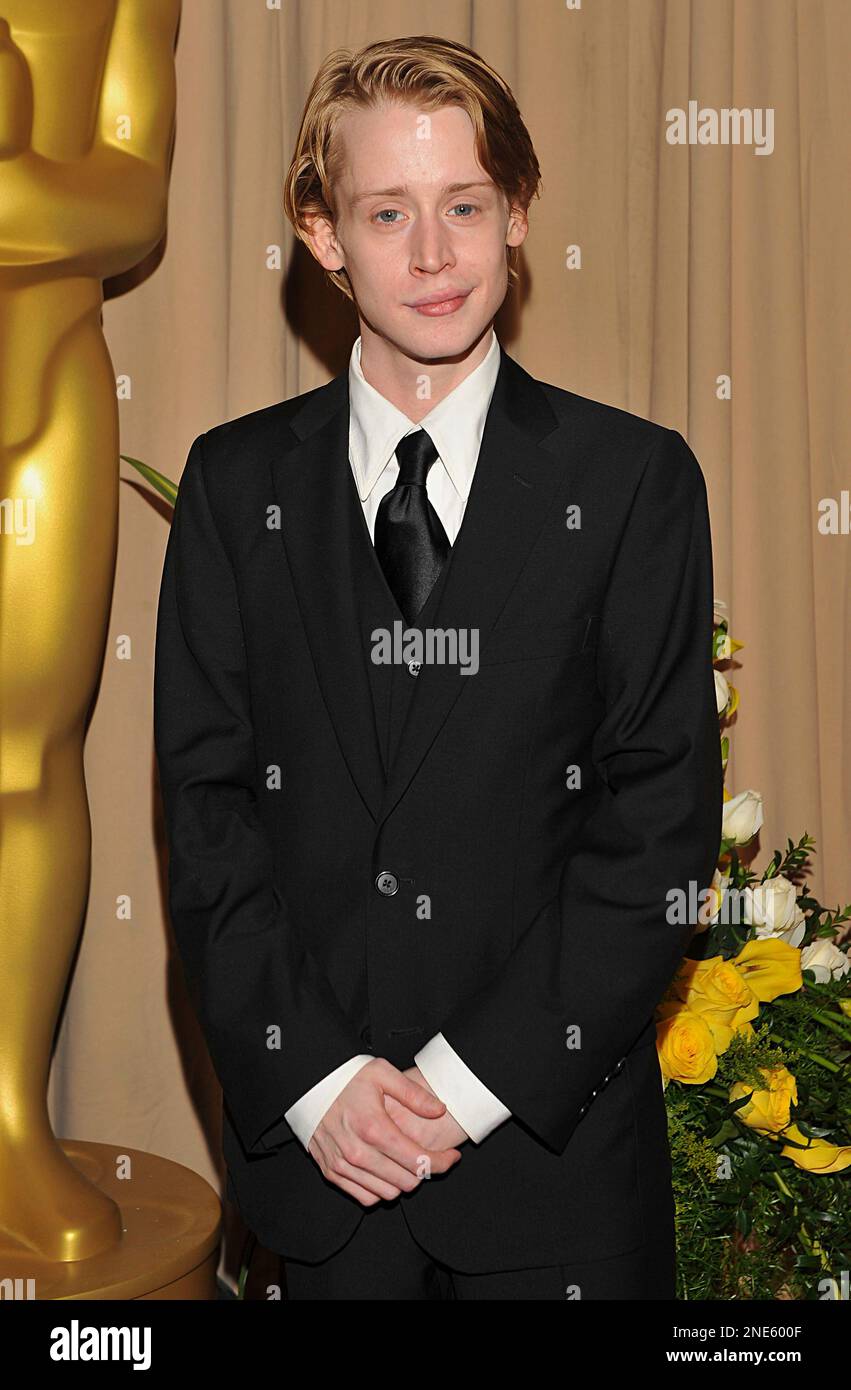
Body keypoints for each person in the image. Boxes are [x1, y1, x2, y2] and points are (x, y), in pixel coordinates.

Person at [153, 33, 723, 1301]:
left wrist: (460, 1092)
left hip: (551, 1182)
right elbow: (205, 821)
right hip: (322, 1190)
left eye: (463, 206)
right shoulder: (233, 487)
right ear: (321, 235)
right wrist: (316, 1085)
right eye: (385, 212)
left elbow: (657, 829)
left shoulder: (631, 484)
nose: (430, 254)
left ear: (517, 215)